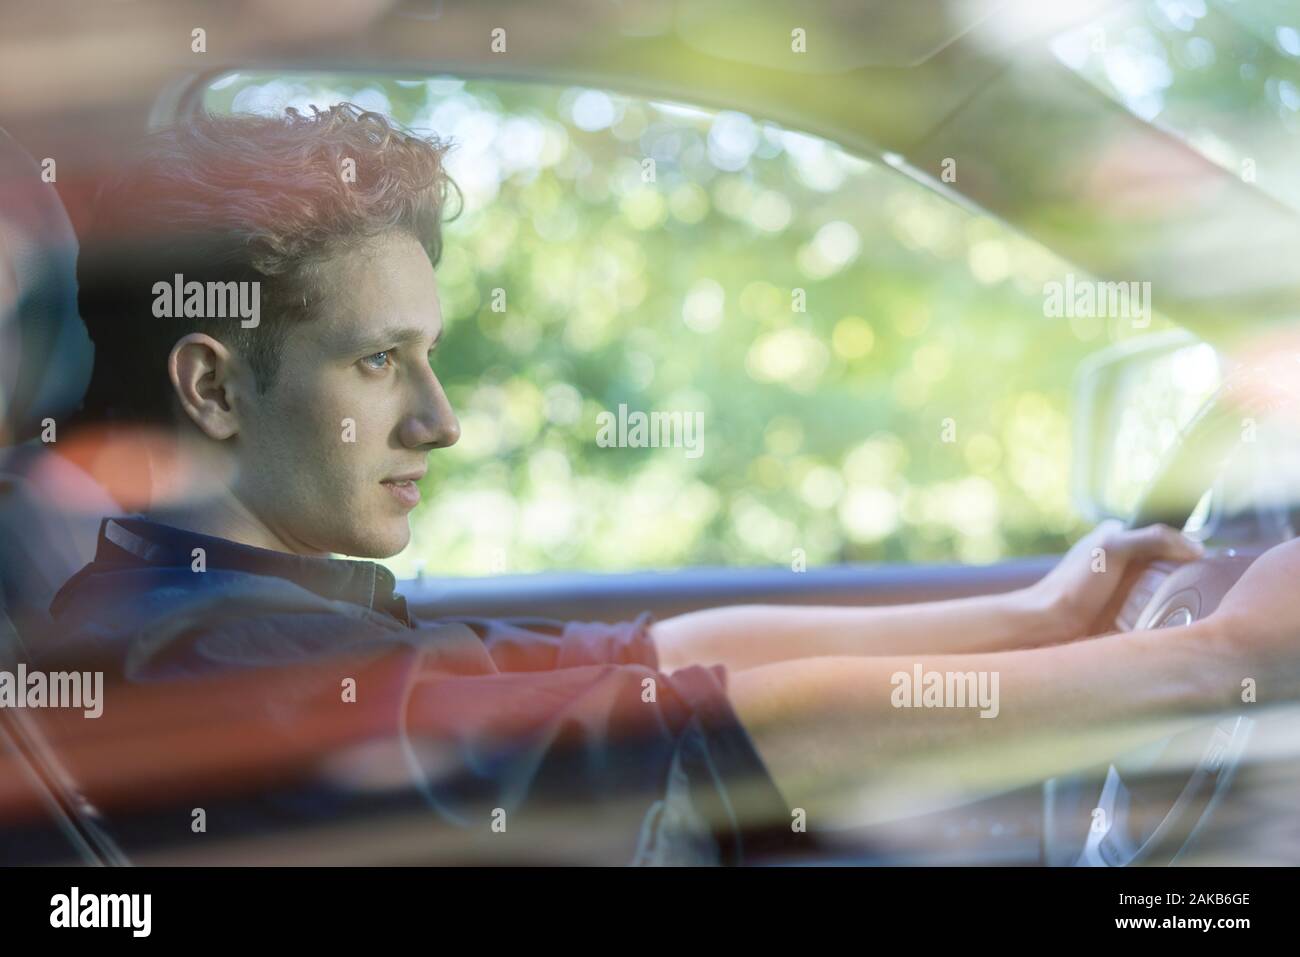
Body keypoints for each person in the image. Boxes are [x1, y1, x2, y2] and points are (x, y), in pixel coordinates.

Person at [42, 103, 1300, 863]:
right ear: (211, 388)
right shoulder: (203, 669)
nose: (443, 421)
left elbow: (643, 658)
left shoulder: (230, 612)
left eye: (428, 359)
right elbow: (689, 737)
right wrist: (1206, 658)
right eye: (381, 363)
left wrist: (1037, 616)